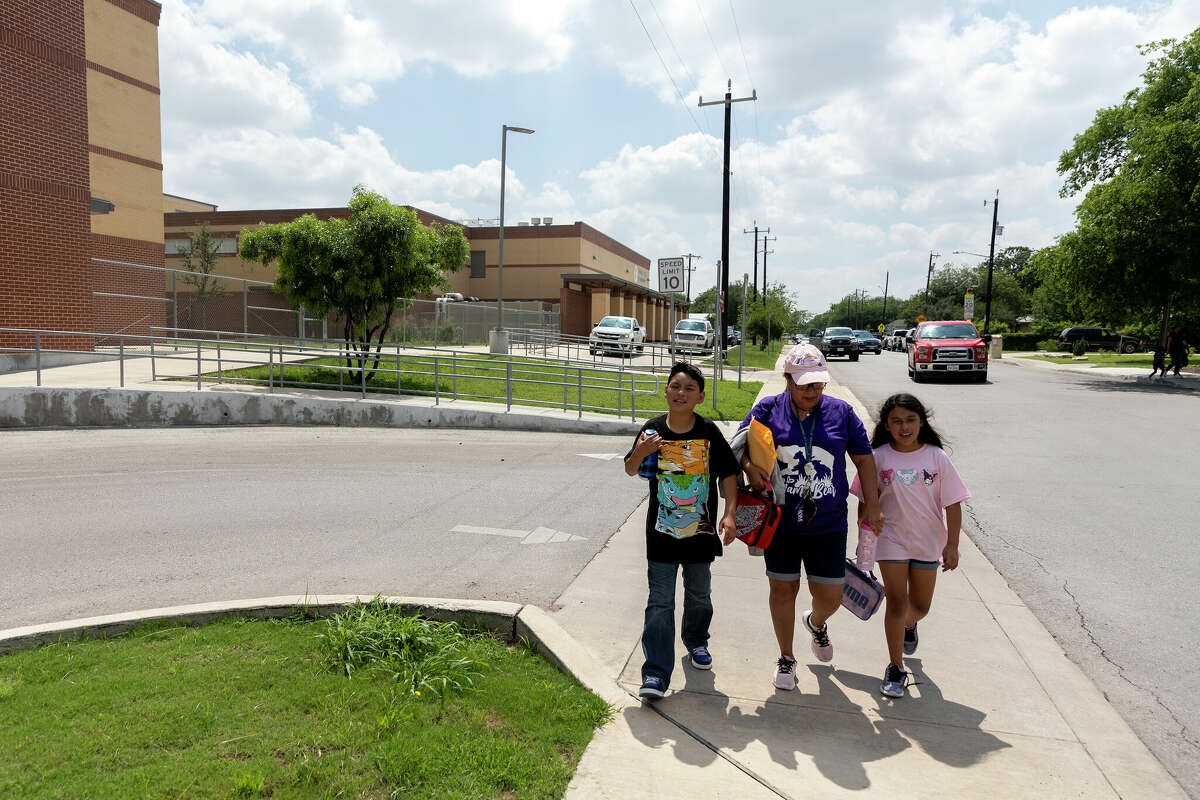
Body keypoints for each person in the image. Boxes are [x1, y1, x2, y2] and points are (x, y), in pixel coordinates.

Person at [738, 343, 881, 691]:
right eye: (804, 384)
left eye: (818, 384)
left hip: (828, 522)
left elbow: (864, 460)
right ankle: (786, 658)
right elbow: (739, 446)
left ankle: (816, 623)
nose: (812, 392)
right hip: (781, 522)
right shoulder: (767, 409)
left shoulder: (842, 413)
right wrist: (748, 468)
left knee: (831, 595)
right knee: (782, 588)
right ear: (788, 380)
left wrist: (873, 505)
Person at [624, 361, 739, 700]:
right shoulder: (652, 430)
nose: (681, 393)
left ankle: (696, 641)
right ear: (666, 391)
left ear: (700, 397)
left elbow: (728, 475)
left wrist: (730, 514)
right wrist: (642, 451)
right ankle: (656, 674)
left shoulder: (708, 431)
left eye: (689, 388)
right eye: (675, 386)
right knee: (659, 602)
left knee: (699, 594)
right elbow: (631, 469)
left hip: (700, 534)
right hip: (660, 534)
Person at [851, 393, 969, 698]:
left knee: (919, 607)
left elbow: (954, 503)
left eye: (910, 420)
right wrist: (864, 538)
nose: (904, 427)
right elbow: (864, 501)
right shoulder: (877, 457)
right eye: (896, 421)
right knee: (897, 602)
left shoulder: (936, 457)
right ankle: (895, 667)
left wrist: (952, 544)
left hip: (928, 542)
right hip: (890, 540)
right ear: (887, 426)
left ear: (921, 422)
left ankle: (908, 625)